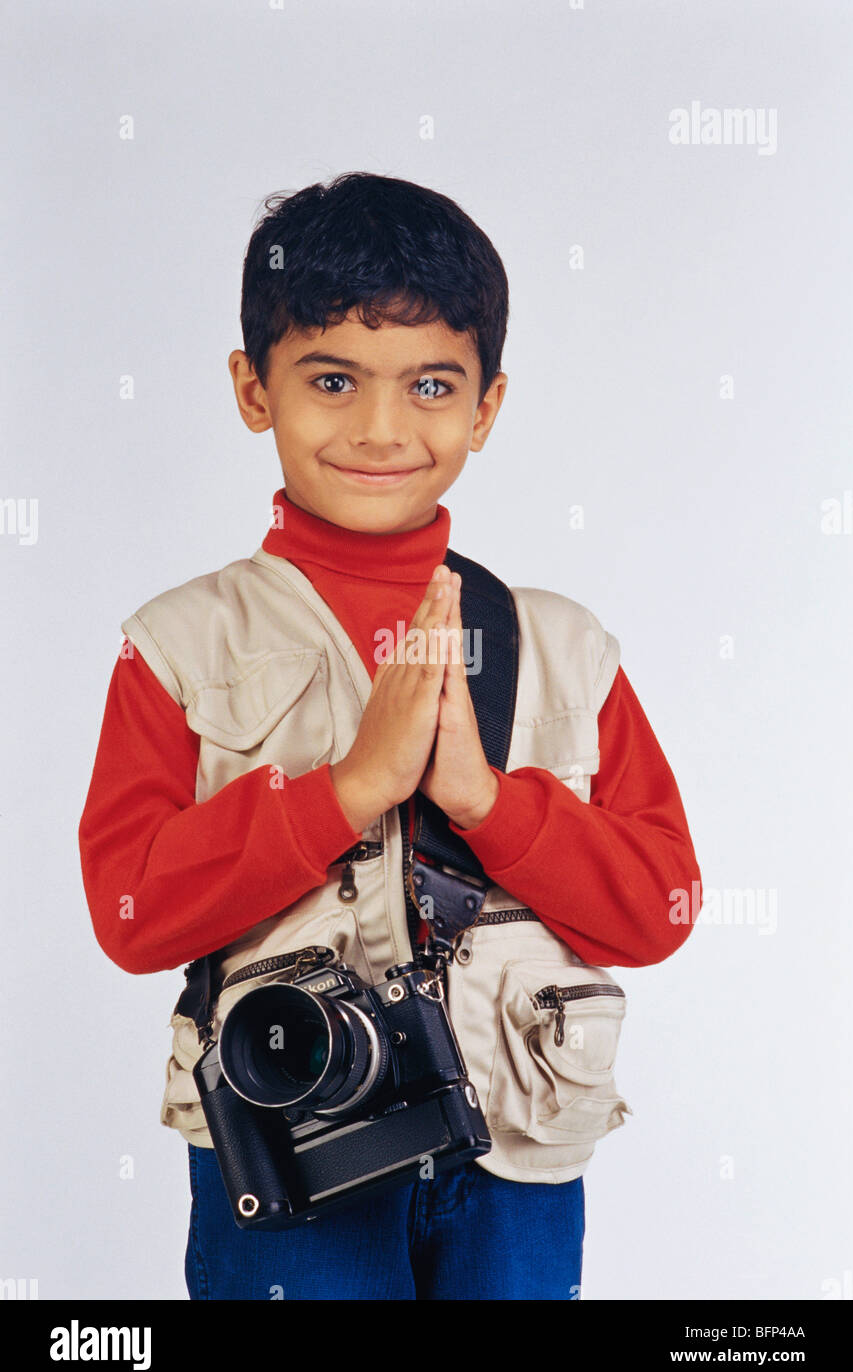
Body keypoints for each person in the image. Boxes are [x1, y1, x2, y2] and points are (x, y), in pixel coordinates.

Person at [78, 171, 702, 1300]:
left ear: (487, 406)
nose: (379, 427)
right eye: (331, 378)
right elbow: (130, 914)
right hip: (288, 1150)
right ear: (252, 389)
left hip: (514, 1157)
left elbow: (660, 908)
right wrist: (349, 787)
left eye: (428, 384)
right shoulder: (178, 642)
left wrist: (487, 801)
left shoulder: (565, 646)